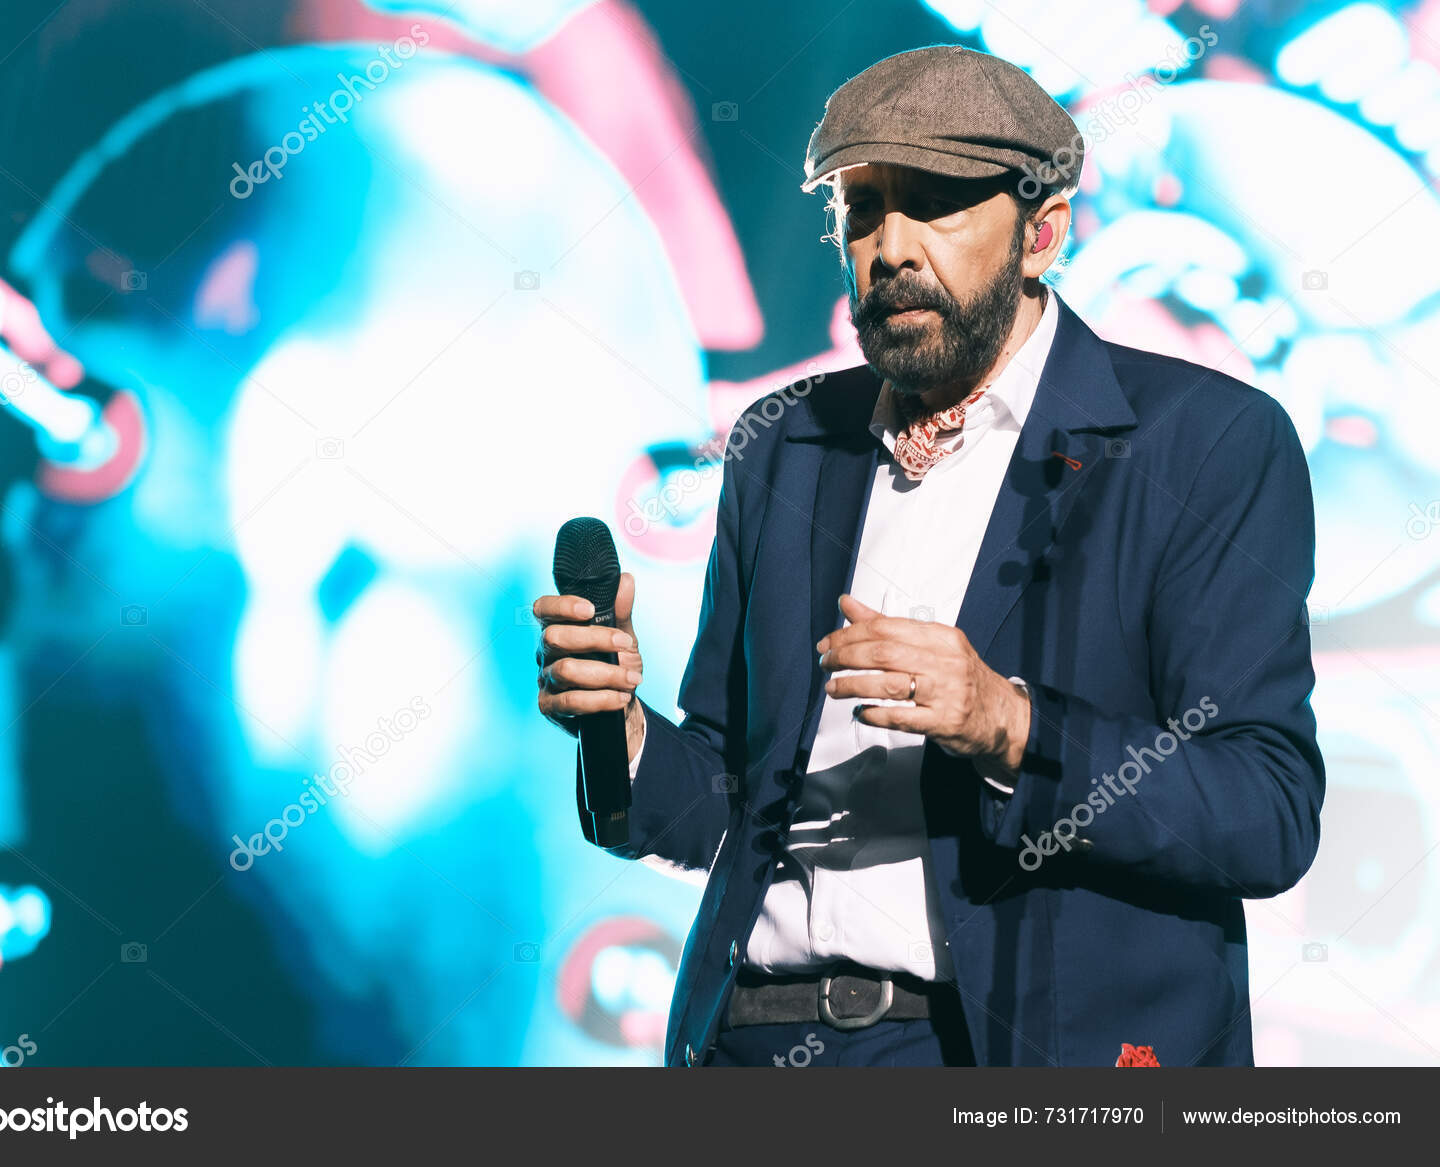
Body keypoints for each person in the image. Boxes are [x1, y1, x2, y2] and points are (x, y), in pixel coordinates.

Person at [534, 44, 1324, 1067]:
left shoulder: (1200, 441)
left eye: (938, 205)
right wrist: (623, 731)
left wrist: (1005, 724)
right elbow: (724, 813)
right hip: (754, 1044)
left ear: (1041, 236)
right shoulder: (784, 443)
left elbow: (1262, 814)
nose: (891, 246)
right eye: (863, 210)